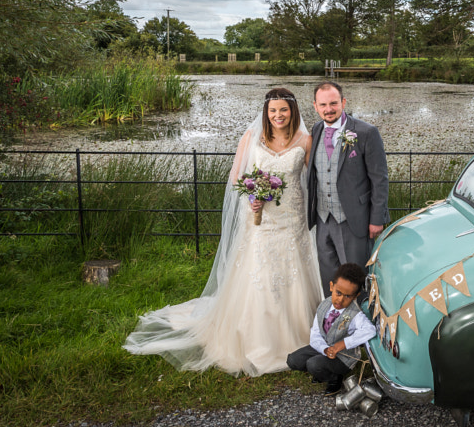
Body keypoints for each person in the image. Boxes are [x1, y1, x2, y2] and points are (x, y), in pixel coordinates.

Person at [123, 87, 323, 377]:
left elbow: (313, 180)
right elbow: (237, 176)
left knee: (294, 272)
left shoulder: (306, 141)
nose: (278, 115)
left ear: (293, 111)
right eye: (273, 110)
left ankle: (300, 336)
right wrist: (252, 197)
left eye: (284, 110)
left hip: (292, 220)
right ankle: (257, 339)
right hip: (260, 219)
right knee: (260, 273)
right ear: (265, 113)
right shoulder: (252, 138)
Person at [307, 81, 389, 295]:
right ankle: (334, 319)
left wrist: (376, 219)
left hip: (354, 219)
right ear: (315, 106)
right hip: (323, 219)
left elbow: (379, 179)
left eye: (333, 103)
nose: (329, 109)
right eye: (323, 104)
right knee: (329, 277)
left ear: (343, 102)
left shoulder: (366, 132)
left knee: (356, 278)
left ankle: (362, 322)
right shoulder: (315, 129)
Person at [286, 263, 375, 393]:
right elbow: (315, 333)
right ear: (331, 286)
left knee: (313, 364)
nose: (340, 300)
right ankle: (321, 370)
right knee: (293, 360)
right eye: (338, 293)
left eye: (347, 296)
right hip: (324, 346)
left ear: (355, 296)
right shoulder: (325, 304)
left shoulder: (355, 314)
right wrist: (324, 349)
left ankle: (334, 378)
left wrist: (343, 344)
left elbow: (370, 330)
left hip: (343, 358)